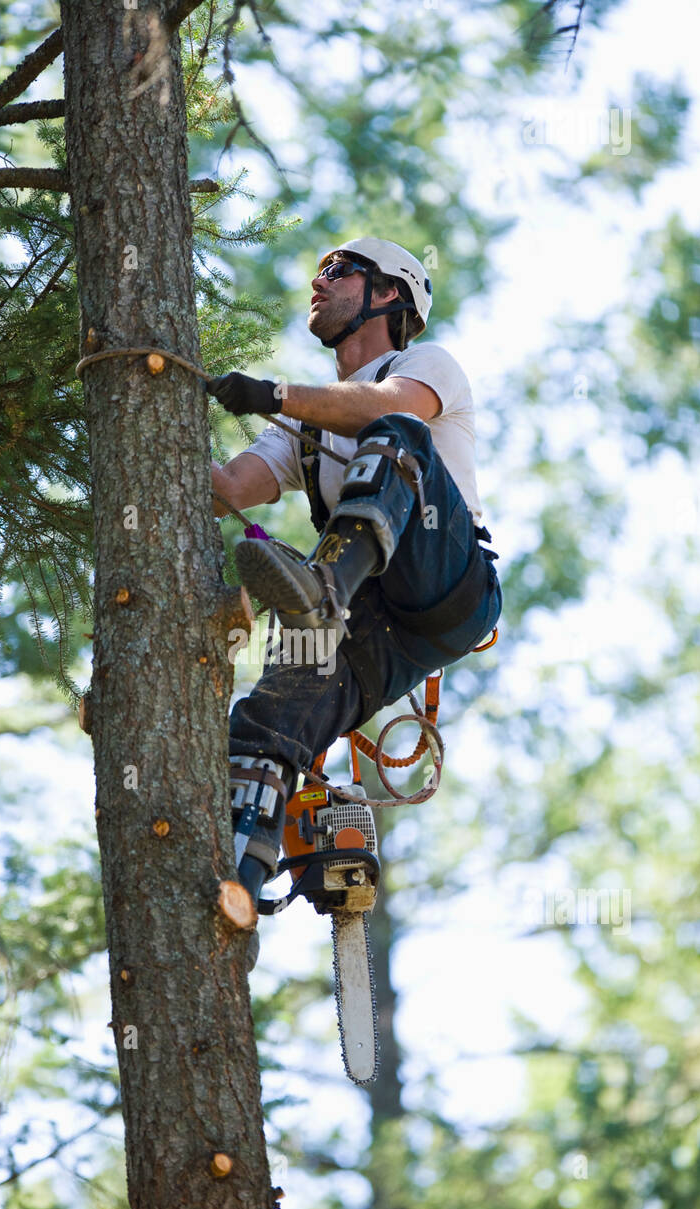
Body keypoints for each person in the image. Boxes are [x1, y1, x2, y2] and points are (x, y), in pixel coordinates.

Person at [207, 237, 502, 910]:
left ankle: (325, 588)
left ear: (389, 292)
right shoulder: (299, 427)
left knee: (398, 434)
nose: (318, 283)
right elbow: (228, 487)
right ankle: (236, 891)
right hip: (369, 622)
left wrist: (275, 393)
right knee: (266, 723)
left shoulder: (426, 364)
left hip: (449, 584)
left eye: (337, 272)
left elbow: (387, 408)